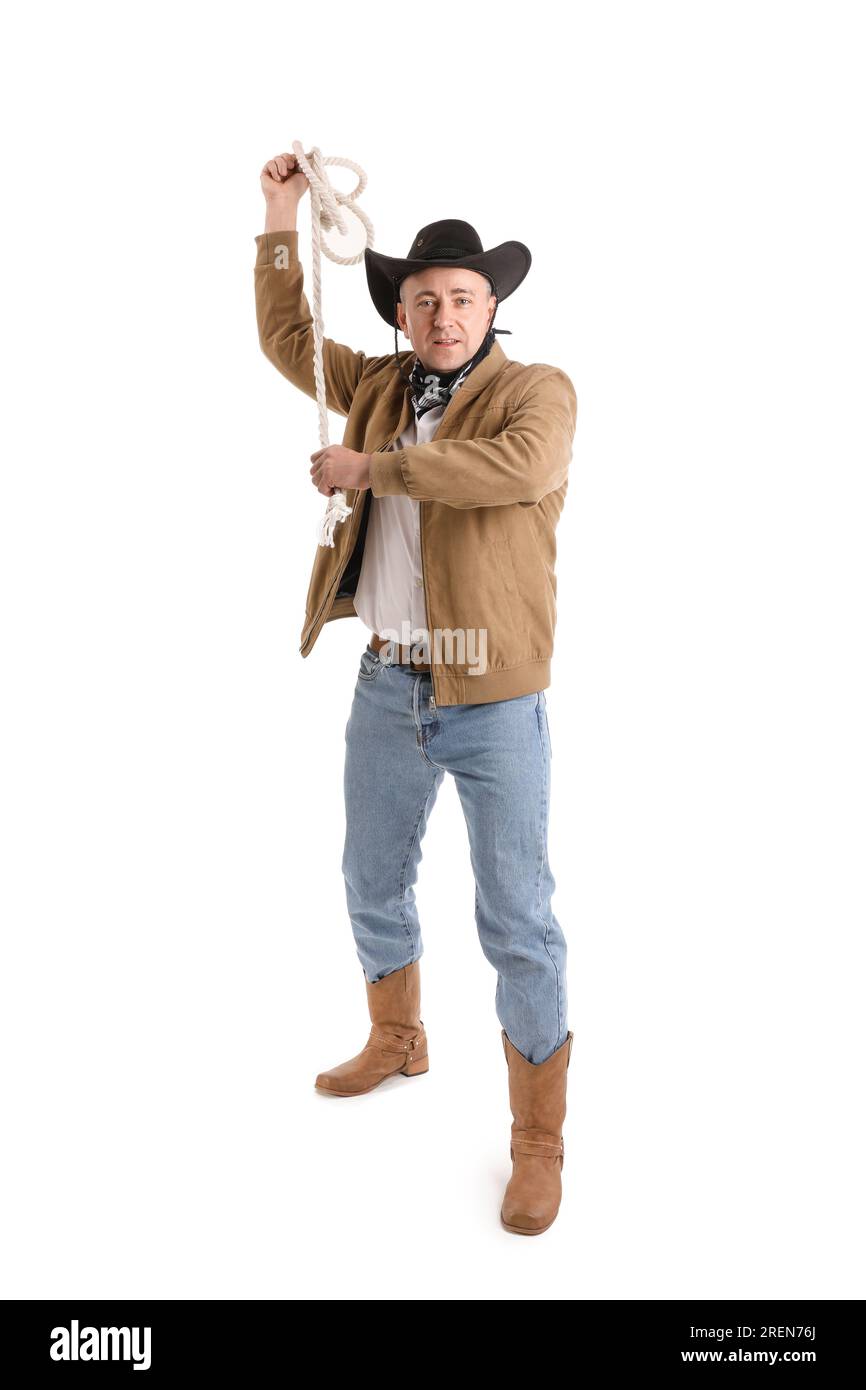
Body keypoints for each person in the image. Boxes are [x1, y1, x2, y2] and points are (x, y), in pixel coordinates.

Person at [255, 150, 579, 1235]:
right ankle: (398, 1038)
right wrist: (277, 215)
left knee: (518, 920)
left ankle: (537, 1141)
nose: (443, 316)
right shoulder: (381, 385)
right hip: (388, 683)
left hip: (492, 697)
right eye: (424, 301)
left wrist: (374, 471)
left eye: (462, 299)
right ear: (400, 311)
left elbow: (511, 472)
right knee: (368, 877)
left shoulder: (535, 393)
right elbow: (289, 345)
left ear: (493, 306)